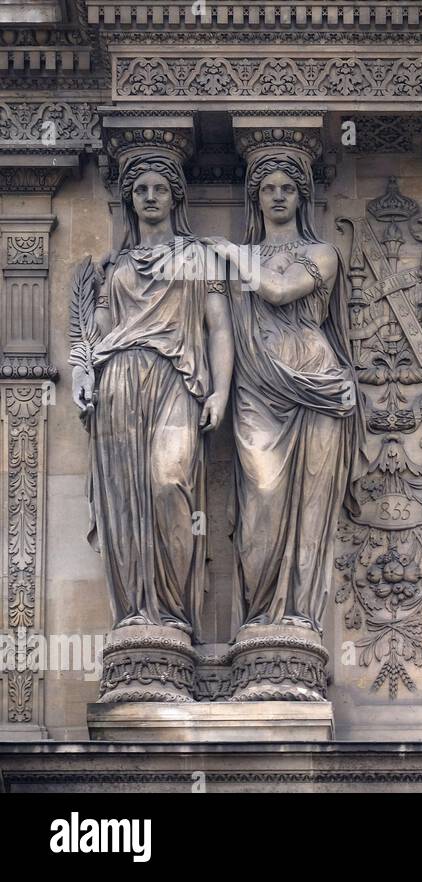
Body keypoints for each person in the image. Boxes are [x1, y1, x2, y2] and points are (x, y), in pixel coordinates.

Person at [75, 154, 233, 635]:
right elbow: (98, 330)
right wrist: (84, 371)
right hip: (119, 381)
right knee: (124, 499)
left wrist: (221, 390)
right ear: (130, 199)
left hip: (176, 381)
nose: (149, 196)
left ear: (174, 197)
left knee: (169, 485)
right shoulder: (117, 266)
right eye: (139, 189)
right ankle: (135, 614)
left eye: (158, 188)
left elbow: (219, 326)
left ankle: (173, 613)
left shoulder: (198, 257)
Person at [206, 153, 358, 634]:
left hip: (316, 384)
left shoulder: (322, 254)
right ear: (255, 196)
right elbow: (222, 332)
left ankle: (298, 620)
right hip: (255, 387)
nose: (276, 195)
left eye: (286, 188)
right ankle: (260, 618)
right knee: (261, 502)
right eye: (267, 188)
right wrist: (218, 391)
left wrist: (231, 253)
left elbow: (277, 290)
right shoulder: (231, 266)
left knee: (312, 511)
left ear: (301, 197)